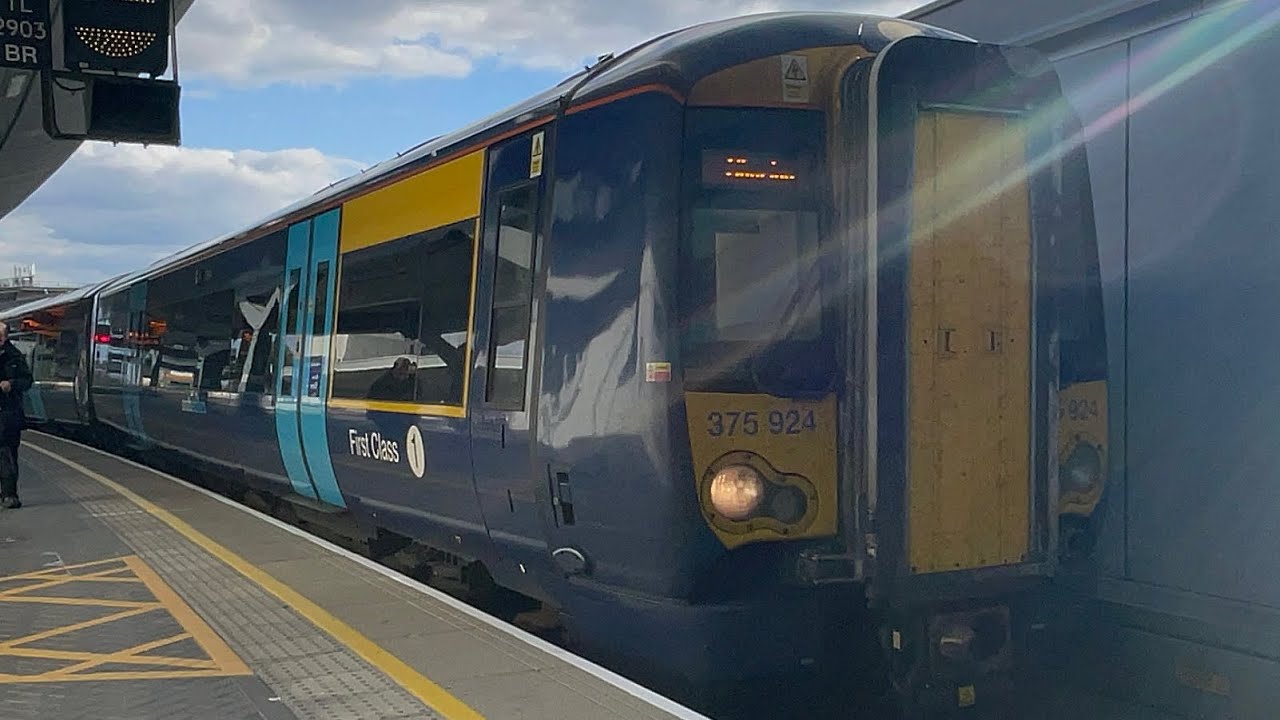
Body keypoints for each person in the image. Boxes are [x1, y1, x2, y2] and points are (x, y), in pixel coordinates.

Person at [0, 323, 32, 509]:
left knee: (7, 454)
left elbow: (27, 380)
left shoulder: (15, 356)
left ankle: (9, 494)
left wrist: (11, 384)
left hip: (8, 414)